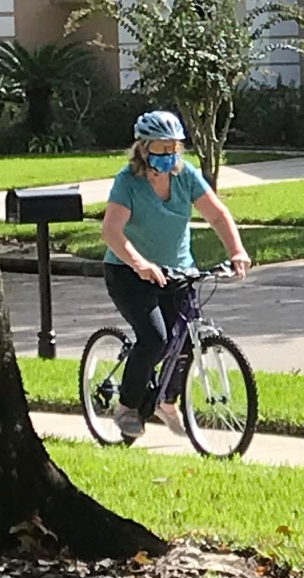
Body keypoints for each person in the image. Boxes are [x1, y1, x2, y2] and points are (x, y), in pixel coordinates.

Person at [100, 111, 251, 438]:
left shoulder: (186, 176)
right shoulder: (128, 182)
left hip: (177, 270)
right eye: (161, 148)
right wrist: (139, 263)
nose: (169, 155)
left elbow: (217, 214)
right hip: (128, 272)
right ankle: (127, 406)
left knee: (186, 339)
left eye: (174, 148)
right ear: (142, 148)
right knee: (155, 337)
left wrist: (236, 250)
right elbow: (111, 231)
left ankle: (167, 401)